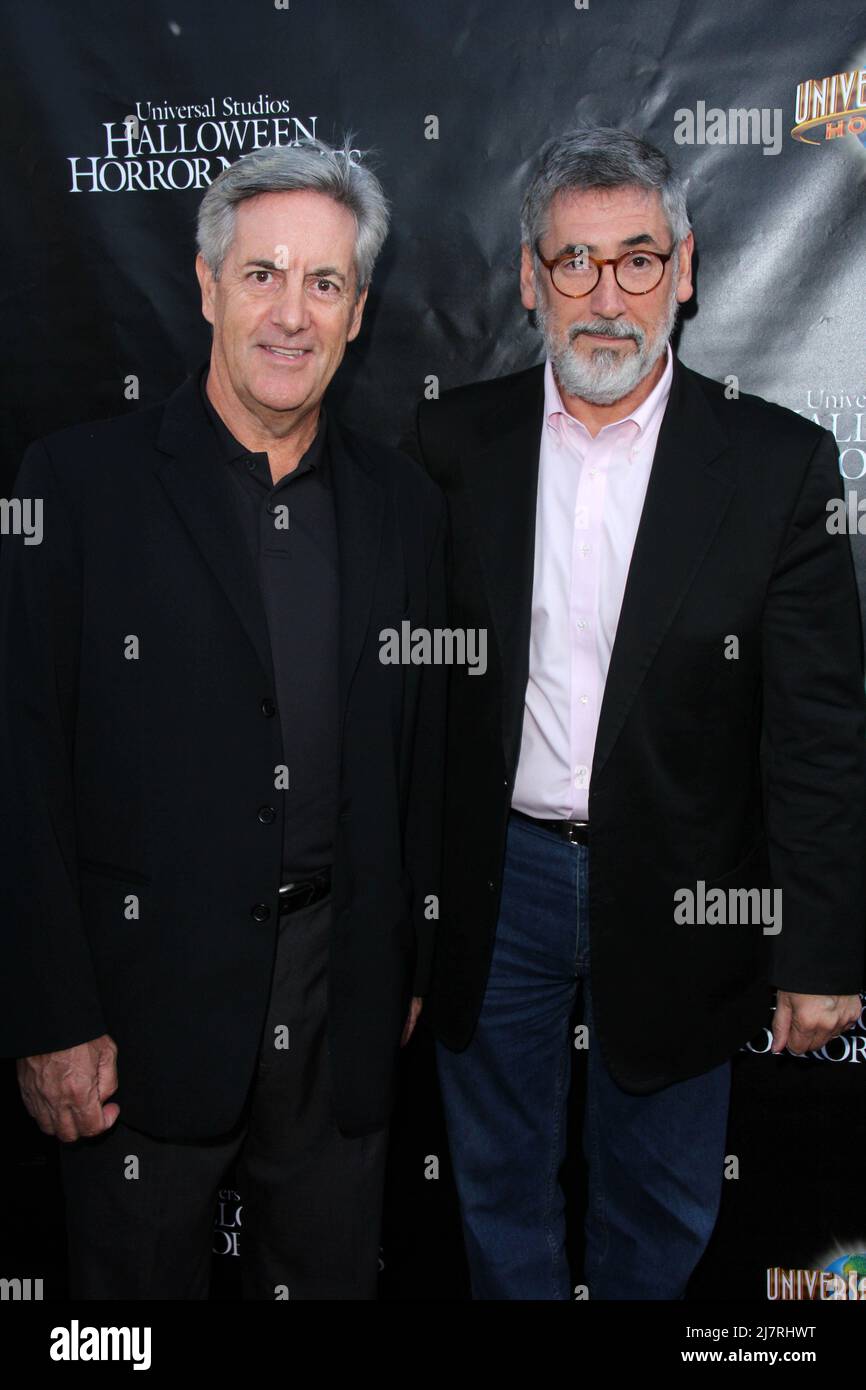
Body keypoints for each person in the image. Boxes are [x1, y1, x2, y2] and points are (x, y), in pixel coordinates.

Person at [409, 127, 866, 1300]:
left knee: (659, 1210)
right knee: (495, 1190)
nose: (606, 297)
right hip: (494, 887)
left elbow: (817, 732)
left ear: (686, 269)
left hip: (683, 890)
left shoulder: (776, 463)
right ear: (528, 278)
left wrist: (818, 946)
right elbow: (396, 703)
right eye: (573, 263)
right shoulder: (451, 446)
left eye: (637, 261)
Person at [0, 137, 446, 1300]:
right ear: (206, 286)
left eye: (324, 283)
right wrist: (51, 1013)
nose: (290, 313)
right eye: (261, 274)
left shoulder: (403, 507)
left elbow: (417, 758)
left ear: (357, 312)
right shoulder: (75, 486)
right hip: (138, 1007)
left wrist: (401, 958)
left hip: (337, 998)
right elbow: (19, 763)